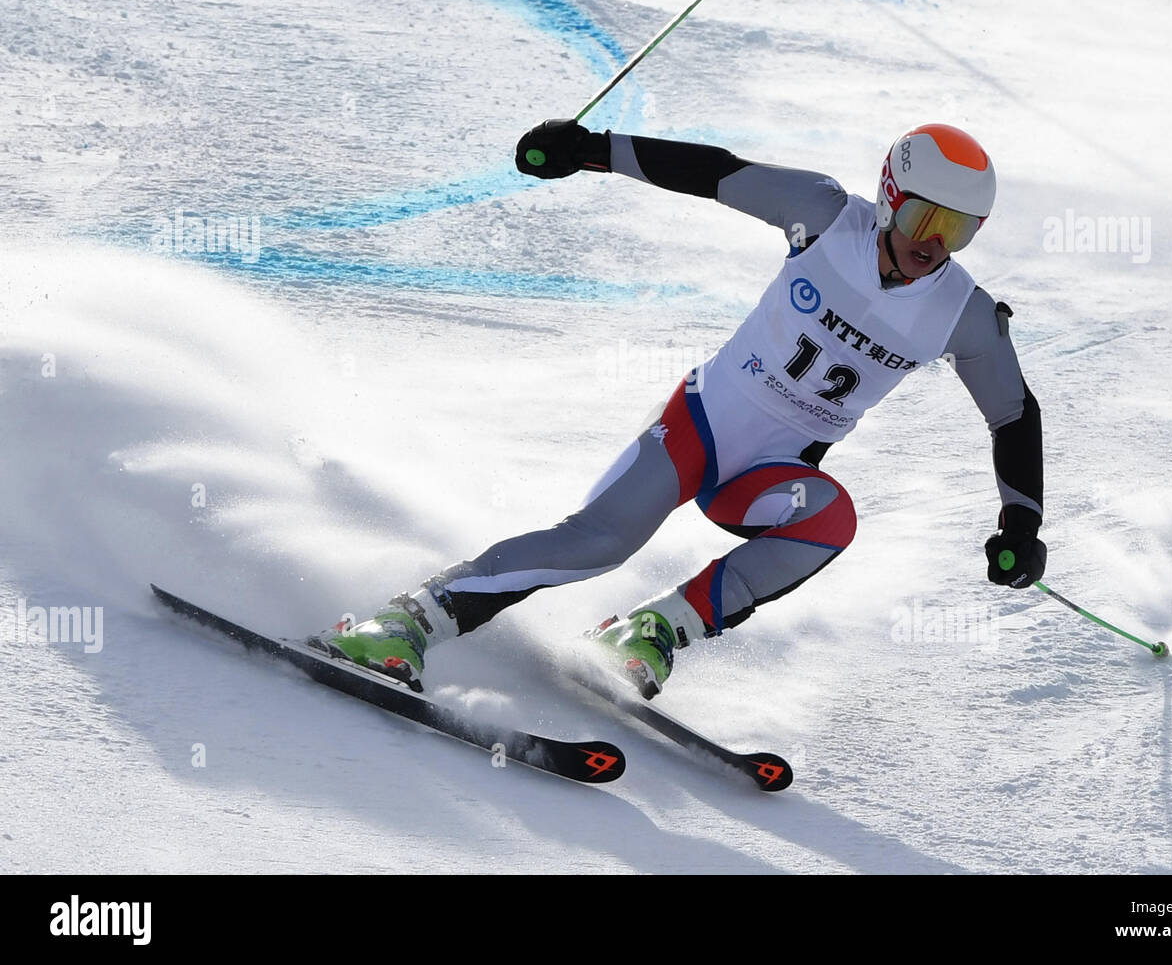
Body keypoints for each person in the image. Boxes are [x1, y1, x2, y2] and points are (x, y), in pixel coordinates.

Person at [310, 120, 1046, 698]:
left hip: (768, 474)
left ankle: (655, 627)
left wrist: (1023, 523)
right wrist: (591, 150)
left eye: (957, 230)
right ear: (890, 196)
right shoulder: (823, 215)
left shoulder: (963, 315)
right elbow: (715, 172)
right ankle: (406, 619)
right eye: (923, 217)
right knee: (599, 542)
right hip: (699, 428)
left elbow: (1013, 412)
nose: (932, 244)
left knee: (831, 519)